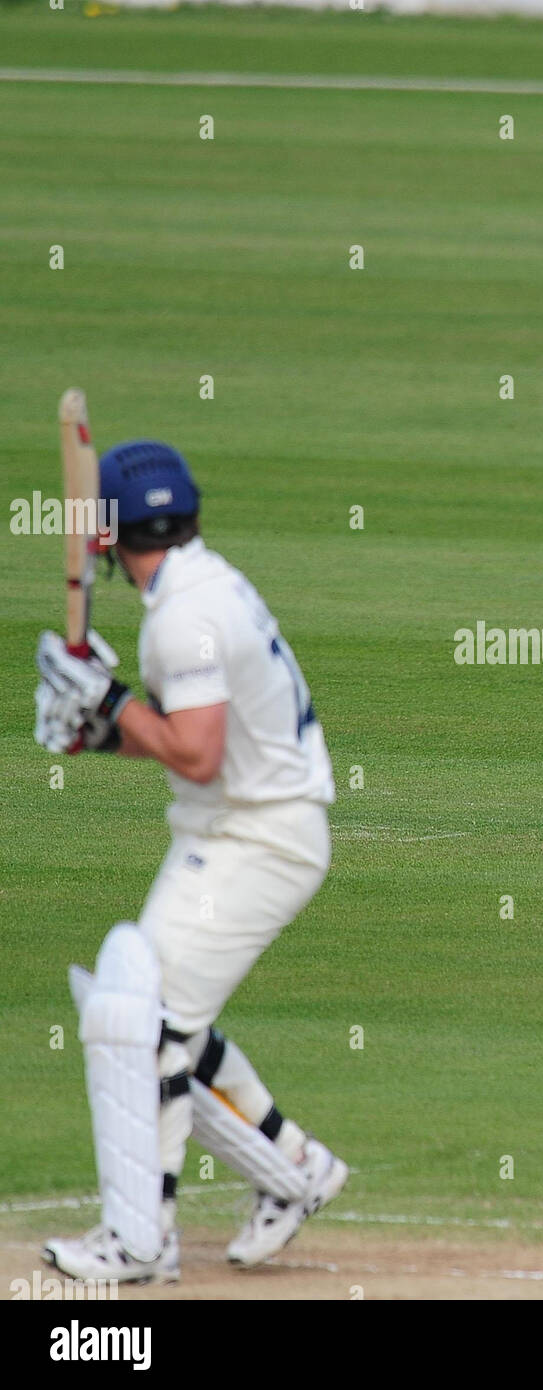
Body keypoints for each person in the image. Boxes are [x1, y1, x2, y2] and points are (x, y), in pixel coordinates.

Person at [34, 439, 347, 1284]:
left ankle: (141, 1241)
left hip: (260, 841)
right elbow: (196, 739)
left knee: (141, 1023)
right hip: (236, 830)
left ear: (105, 533)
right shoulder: (200, 583)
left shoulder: (181, 616)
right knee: (157, 1019)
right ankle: (296, 1173)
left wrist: (106, 702)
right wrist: (103, 735)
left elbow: (199, 753)